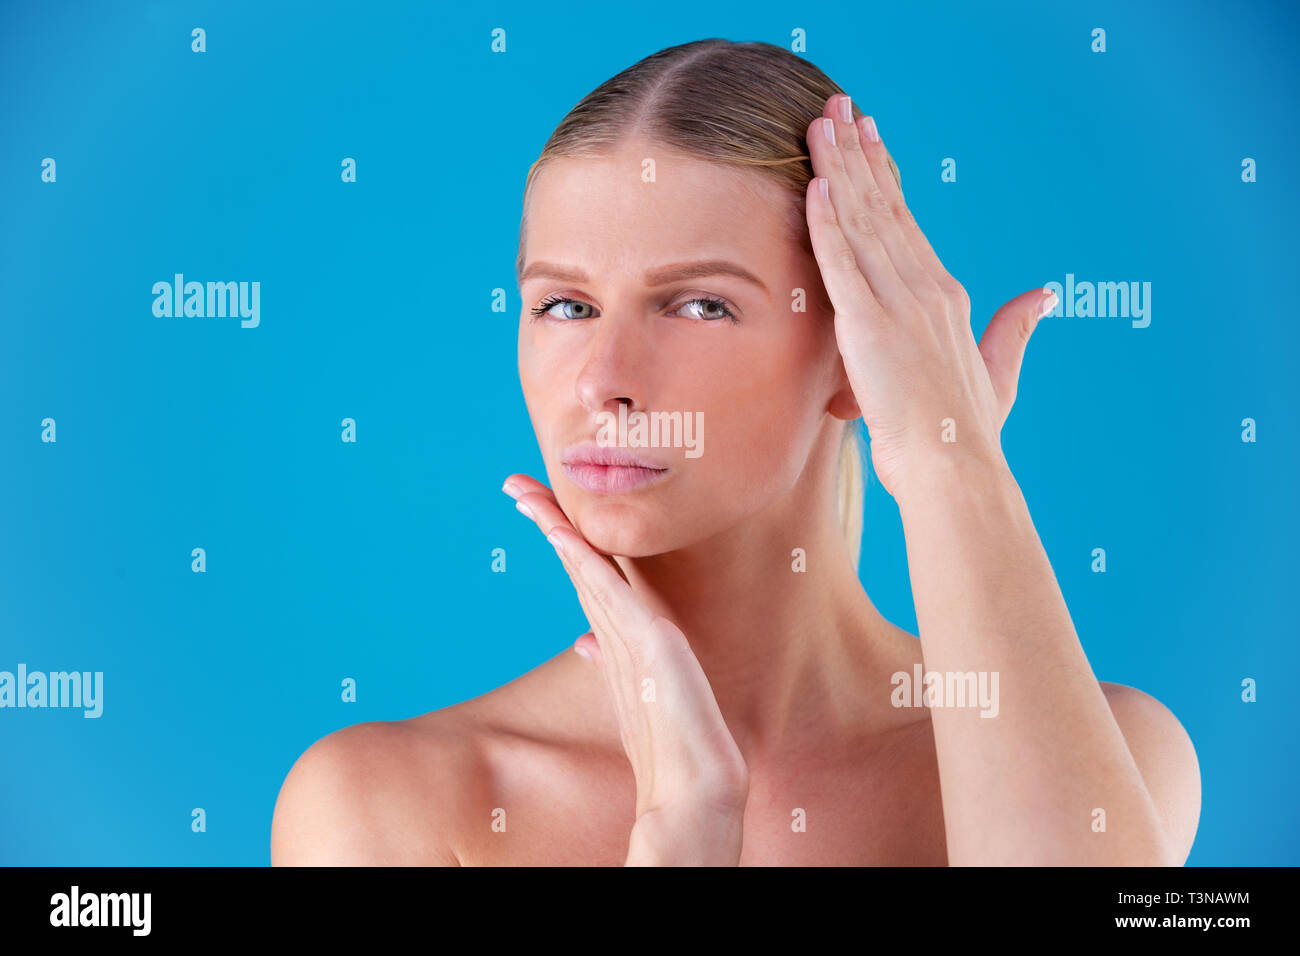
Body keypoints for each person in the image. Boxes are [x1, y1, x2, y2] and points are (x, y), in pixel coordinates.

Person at [271, 38, 1200, 866]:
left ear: (856, 356)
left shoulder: (1109, 752)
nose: (604, 380)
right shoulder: (387, 806)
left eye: (699, 305)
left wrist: (948, 459)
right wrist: (682, 831)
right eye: (566, 305)